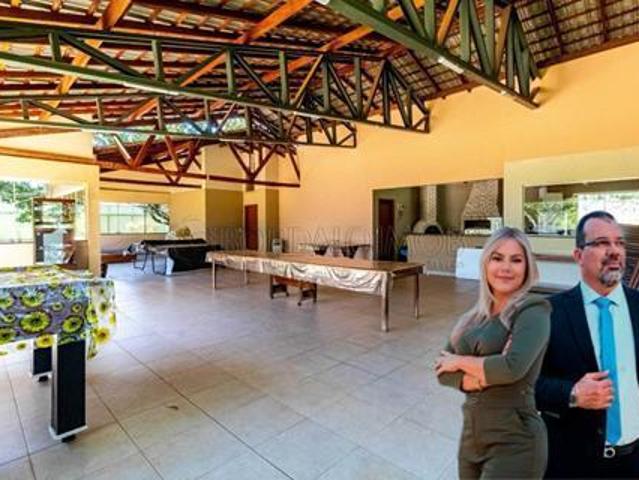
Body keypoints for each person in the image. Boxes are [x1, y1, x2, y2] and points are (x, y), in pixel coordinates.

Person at [436, 227, 551, 479]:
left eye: (516, 260)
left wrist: (460, 361)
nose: (506, 268)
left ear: (527, 267)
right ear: (485, 263)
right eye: (497, 258)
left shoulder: (533, 311)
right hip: (472, 436)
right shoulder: (473, 317)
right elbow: (442, 371)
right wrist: (483, 374)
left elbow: (511, 368)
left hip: (515, 440)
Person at [536, 211, 639, 479]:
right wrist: (571, 393)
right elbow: (524, 386)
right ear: (578, 255)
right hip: (572, 462)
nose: (614, 251)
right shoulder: (548, 313)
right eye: (602, 242)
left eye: (619, 243)